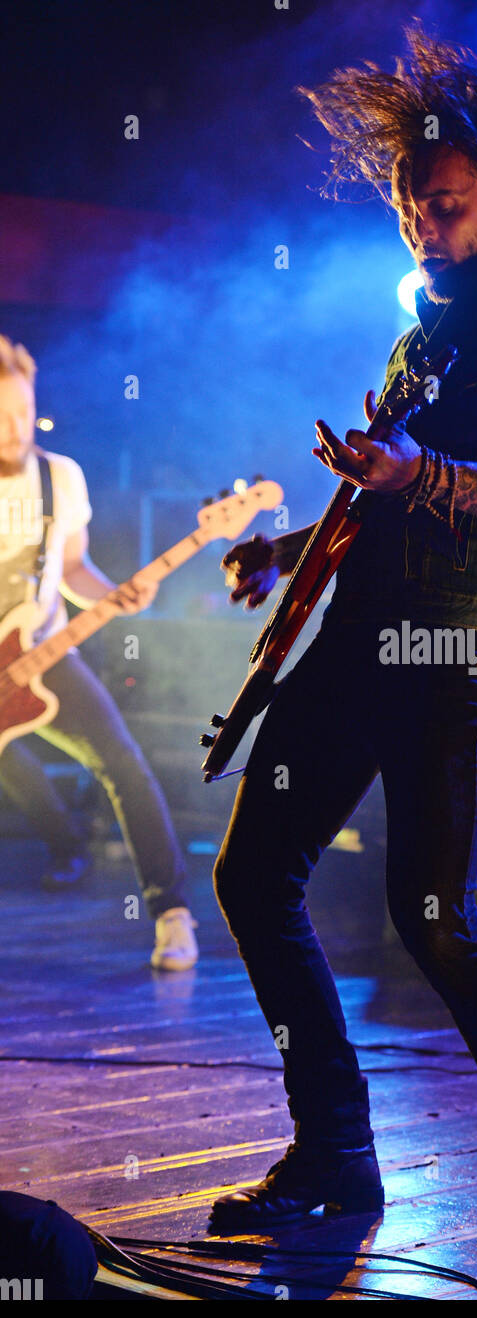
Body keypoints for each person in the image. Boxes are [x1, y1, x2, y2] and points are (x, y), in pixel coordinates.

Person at [212, 26, 477, 1259]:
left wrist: (430, 471)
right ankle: (337, 1153)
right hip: (356, 639)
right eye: (409, 214)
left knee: (435, 915)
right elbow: (388, 486)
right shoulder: (421, 331)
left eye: (445, 209)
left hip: (458, 655)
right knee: (252, 876)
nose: (425, 232)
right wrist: (292, 545)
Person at [0, 335, 197, 970]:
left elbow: (74, 567)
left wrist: (114, 596)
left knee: (124, 764)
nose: (16, 428)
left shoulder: (61, 476)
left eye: (24, 412)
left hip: (44, 654)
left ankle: (172, 915)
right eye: (1, 416)